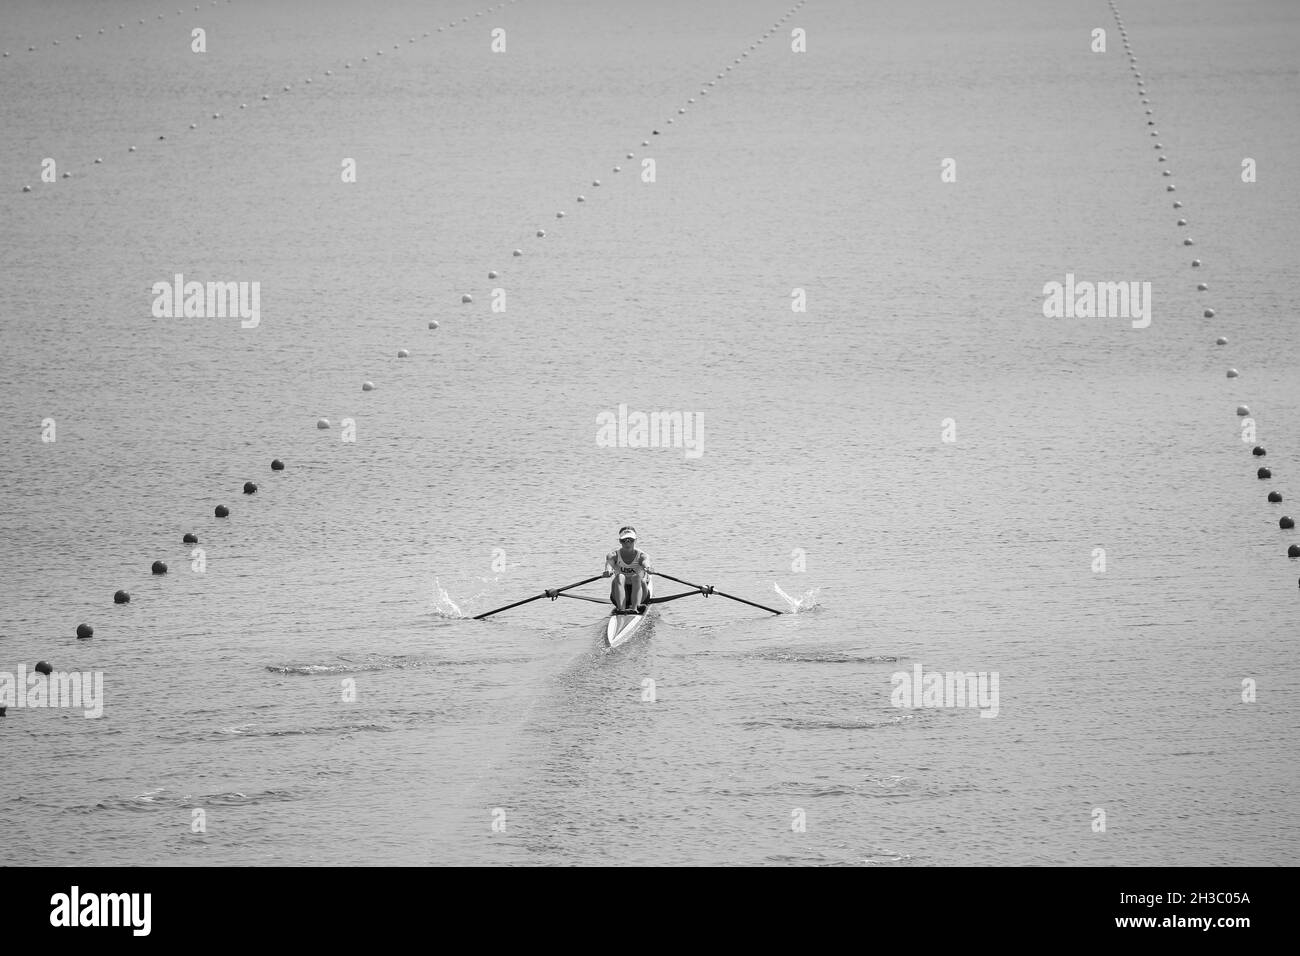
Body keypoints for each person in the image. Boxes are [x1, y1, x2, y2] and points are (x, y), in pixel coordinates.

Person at [604, 526, 653, 614]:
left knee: (636, 577)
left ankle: (634, 608)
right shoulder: (613, 555)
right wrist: (608, 571)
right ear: (620, 541)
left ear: (635, 540)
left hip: (641, 593)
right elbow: (609, 565)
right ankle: (621, 610)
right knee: (620, 577)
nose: (628, 543)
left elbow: (646, 563)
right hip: (619, 592)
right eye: (624, 540)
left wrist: (648, 568)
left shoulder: (642, 556)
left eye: (631, 540)